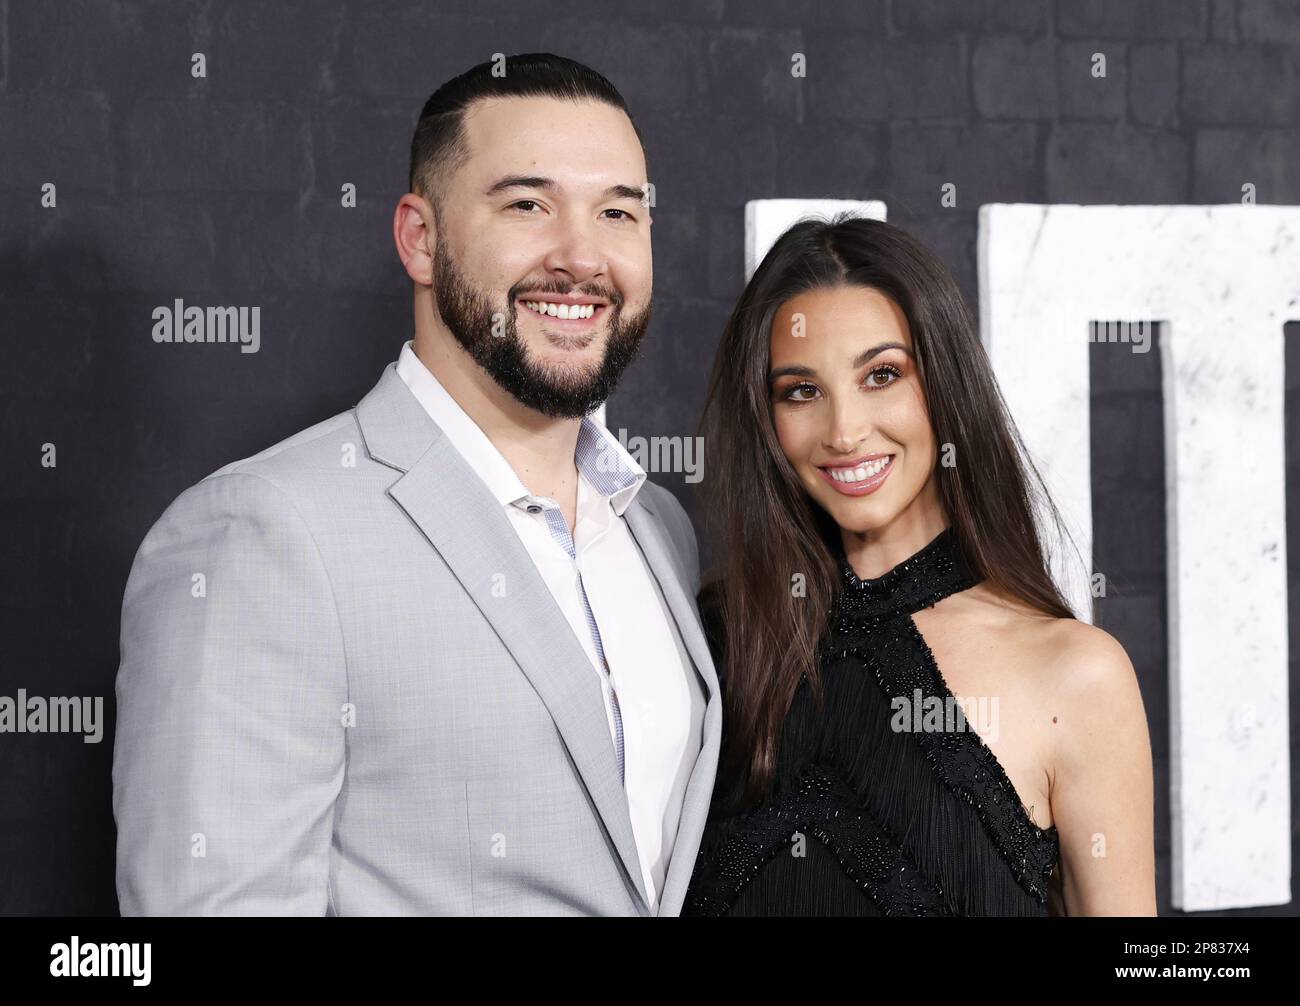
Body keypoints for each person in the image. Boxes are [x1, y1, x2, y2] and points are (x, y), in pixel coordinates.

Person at [112, 53, 720, 916]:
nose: (582, 258)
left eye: (618, 211)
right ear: (420, 238)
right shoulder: (266, 533)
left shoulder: (658, 524)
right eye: (528, 204)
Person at [683, 215, 1155, 916]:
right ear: (767, 418)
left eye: (882, 375)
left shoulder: (1077, 674)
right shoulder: (716, 644)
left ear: (945, 384)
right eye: (801, 391)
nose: (844, 432)